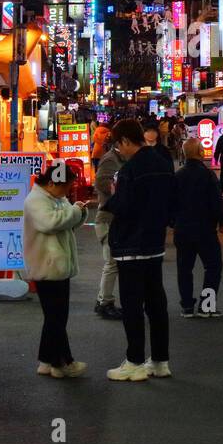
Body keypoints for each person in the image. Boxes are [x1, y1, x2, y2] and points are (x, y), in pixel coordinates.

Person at [105, 118, 176, 381]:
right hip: (155, 243)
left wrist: (113, 196)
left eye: (118, 144)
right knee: (156, 302)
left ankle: (134, 361)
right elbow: (172, 200)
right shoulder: (161, 163)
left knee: (133, 304)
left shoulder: (129, 170)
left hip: (130, 244)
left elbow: (124, 206)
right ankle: (159, 360)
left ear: (125, 141)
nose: (119, 150)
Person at [23, 164, 89, 378]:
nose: (67, 193)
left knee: (54, 316)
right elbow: (50, 223)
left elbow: (65, 224)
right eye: (65, 188)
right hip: (48, 266)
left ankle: (47, 361)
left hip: (55, 265)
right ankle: (62, 362)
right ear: (51, 183)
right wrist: (74, 211)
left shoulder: (54, 198)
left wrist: (79, 212)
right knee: (57, 317)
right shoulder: (36, 201)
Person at [172, 139, 223, 318]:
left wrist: (173, 222)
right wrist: (222, 221)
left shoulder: (178, 175)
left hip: (182, 229)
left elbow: (169, 203)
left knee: (184, 268)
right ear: (200, 152)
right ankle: (207, 306)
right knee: (213, 267)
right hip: (205, 229)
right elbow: (216, 201)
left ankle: (187, 306)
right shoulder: (208, 175)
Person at [92, 131, 126, 321]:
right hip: (107, 218)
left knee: (113, 262)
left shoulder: (120, 158)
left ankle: (103, 300)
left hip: (114, 218)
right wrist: (121, 190)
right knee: (112, 262)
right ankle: (105, 302)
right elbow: (101, 183)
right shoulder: (110, 159)